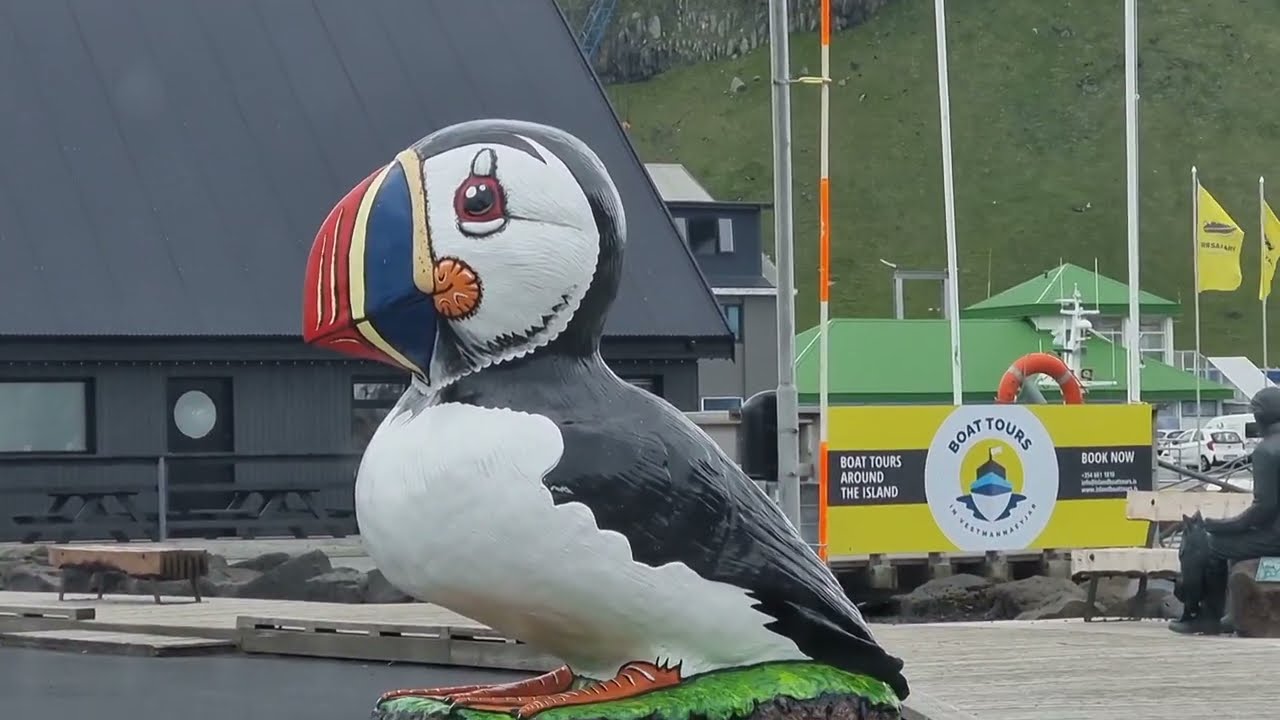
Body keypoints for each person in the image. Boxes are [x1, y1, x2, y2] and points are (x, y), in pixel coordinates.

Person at [1171, 386, 1280, 635]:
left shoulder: (1267, 451)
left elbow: (1265, 509)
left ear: (1260, 416)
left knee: (1206, 543)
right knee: (1226, 542)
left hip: (1275, 537)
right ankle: (1232, 612)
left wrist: (1219, 525)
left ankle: (1202, 616)